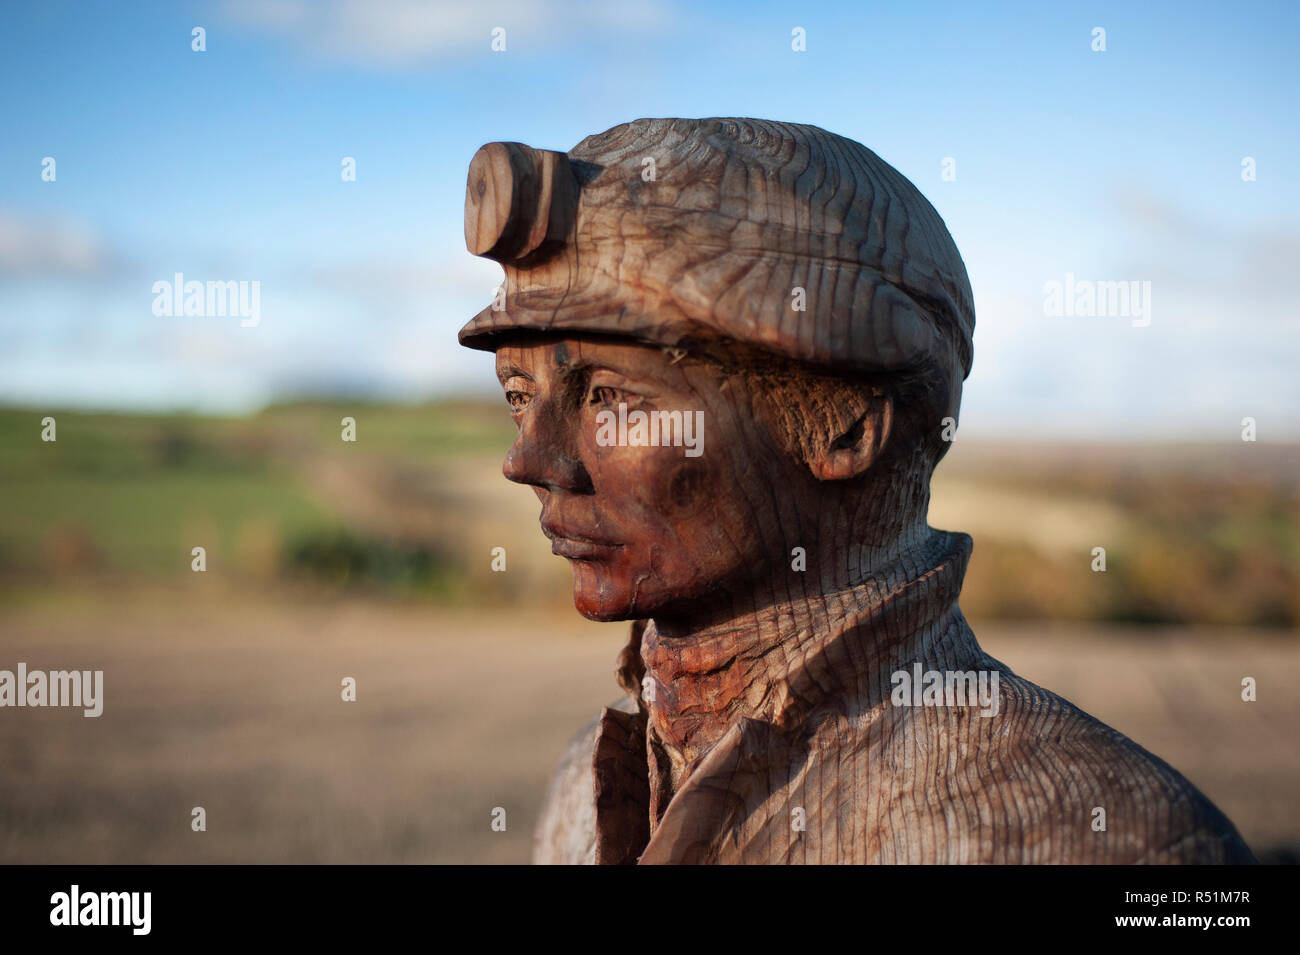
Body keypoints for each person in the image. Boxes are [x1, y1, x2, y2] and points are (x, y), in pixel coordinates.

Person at [458, 117, 1256, 865]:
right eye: (518, 395)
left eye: (613, 398)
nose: (528, 461)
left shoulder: (1125, 843)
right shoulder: (582, 792)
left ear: (845, 427)